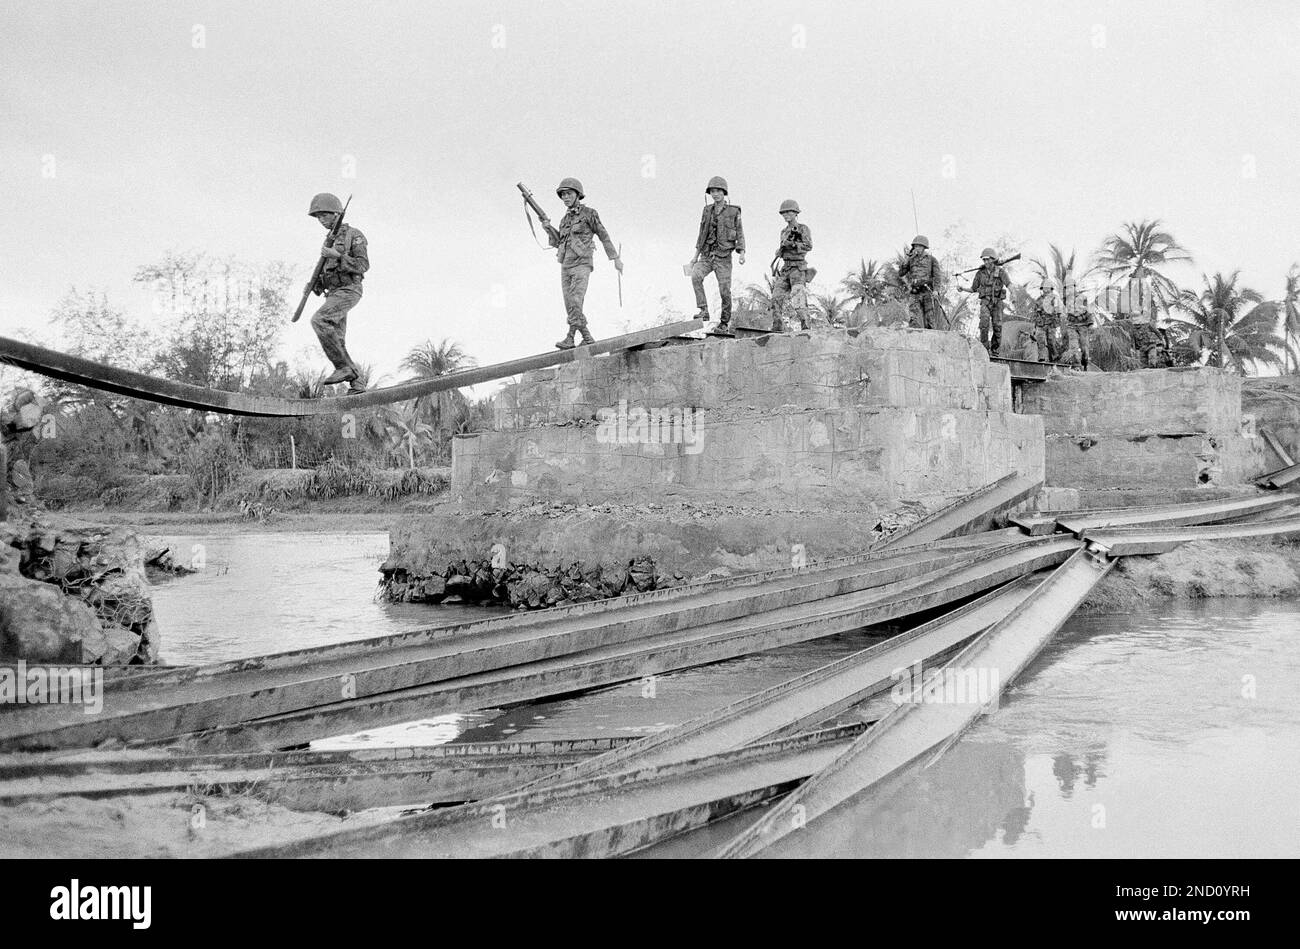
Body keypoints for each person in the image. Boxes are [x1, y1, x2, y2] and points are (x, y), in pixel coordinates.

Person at [305, 192, 369, 392]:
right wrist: (315, 284)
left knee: (320, 320)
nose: (321, 220)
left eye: (324, 215)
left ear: (336, 214)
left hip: (349, 289)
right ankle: (357, 382)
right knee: (337, 339)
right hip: (334, 292)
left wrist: (338, 255)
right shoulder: (329, 240)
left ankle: (343, 368)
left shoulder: (354, 235)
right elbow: (326, 271)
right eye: (318, 217)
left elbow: (363, 265)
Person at [549, 177, 623, 349]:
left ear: (578, 195)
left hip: (582, 263)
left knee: (575, 300)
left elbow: (603, 235)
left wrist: (615, 258)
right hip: (565, 265)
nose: (565, 197)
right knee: (570, 304)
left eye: (569, 194)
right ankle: (585, 338)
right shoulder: (564, 220)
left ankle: (572, 337)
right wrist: (547, 227)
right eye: (563, 195)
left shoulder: (589, 213)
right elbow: (558, 242)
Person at [690, 176, 746, 335]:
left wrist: (741, 252)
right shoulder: (707, 210)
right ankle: (703, 310)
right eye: (713, 191)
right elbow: (702, 233)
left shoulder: (733, 211)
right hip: (707, 254)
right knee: (695, 275)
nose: (715, 194)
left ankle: (724, 323)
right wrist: (695, 256)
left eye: (718, 191)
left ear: (724, 192)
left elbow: (740, 232)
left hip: (723, 257)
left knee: (724, 291)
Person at [771, 199, 815, 331]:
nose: (786, 215)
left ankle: (806, 328)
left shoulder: (802, 229)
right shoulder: (783, 232)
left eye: (789, 212)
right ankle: (777, 327)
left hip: (798, 268)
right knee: (776, 298)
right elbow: (783, 249)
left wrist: (794, 244)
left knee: (798, 300)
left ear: (796, 213)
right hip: (786, 268)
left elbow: (808, 246)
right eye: (783, 213)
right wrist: (780, 251)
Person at [966, 248, 1011, 354]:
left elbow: (1009, 284)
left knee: (997, 327)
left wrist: (1013, 294)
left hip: (997, 303)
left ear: (993, 259)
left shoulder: (1000, 272)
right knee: (984, 325)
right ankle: (984, 350)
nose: (986, 262)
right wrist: (962, 288)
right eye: (984, 260)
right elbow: (973, 288)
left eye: (988, 259)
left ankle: (995, 350)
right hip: (985, 302)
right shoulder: (980, 273)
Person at [899, 235, 944, 330]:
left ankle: (932, 339)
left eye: (919, 246)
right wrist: (907, 259)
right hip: (915, 292)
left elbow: (937, 277)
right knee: (913, 318)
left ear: (924, 247)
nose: (917, 248)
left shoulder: (932, 259)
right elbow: (901, 273)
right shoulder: (911, 260)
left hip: (927, 291)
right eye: (915, 246)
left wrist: (936, 290)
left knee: (929, 319)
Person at [1030, 278, 1065, 363]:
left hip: (1051, 324)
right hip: (1040, 324)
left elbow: (1060, 311)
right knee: (1040, 340)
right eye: (1044, 288)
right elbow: (1034, 313)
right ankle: (1041, 358)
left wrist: (1059, 323)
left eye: (1047, 288)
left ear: (1051, 288)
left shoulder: (1055, 299)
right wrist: (1034, 327)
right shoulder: (1038, 300)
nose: (1046, 290)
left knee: (1051, 342)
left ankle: (1054, 358)